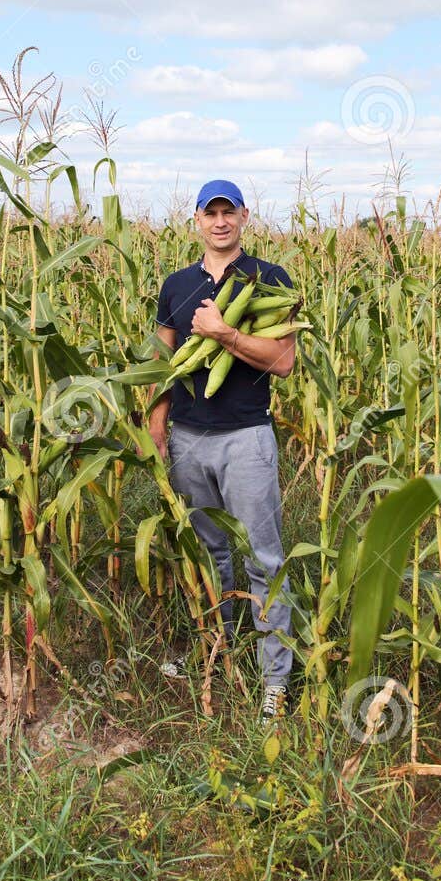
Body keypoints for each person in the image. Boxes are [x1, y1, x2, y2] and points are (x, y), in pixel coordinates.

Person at [149, 179, 296, 720]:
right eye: (209, 213)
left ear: (243, 217)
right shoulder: (176, 284)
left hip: (245, 438)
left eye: (227, 212)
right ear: (196, 220)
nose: (219, 221)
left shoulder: (267, 280)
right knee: (209, 554)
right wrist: (157, 422)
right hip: (188, 438)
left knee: (264, 559)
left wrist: (222, 333)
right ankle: (218, 652)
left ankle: (274, 680)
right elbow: (163, 362)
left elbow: (282, 361)